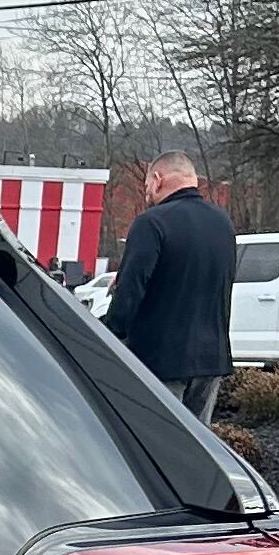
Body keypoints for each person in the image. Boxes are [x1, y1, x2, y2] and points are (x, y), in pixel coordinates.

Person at [103, 154, 239, 419]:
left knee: (155, 445)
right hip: (212, 359)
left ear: (157, 180)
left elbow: (130, 291)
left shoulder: (151, 223)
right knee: (197, 448)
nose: (147, 194)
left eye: (145, 187)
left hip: (161, 360)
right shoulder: (223, 224)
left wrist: (110, 333)